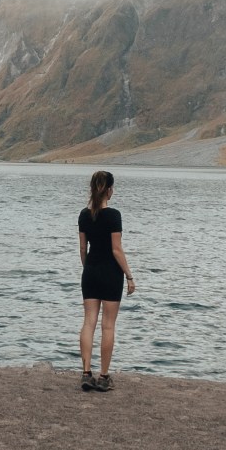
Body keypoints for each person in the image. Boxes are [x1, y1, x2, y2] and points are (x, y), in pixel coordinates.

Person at [76, 168, 135, 392]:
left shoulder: (84, 215)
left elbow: (83, 249)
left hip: (90, 271)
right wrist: (129, 276)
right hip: (111, 273)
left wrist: (88, 269)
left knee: (88, 322)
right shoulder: (113, 215)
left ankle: (86, 373)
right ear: (109, 190)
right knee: (108, 325)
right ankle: (103, 376)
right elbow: (116, 250)